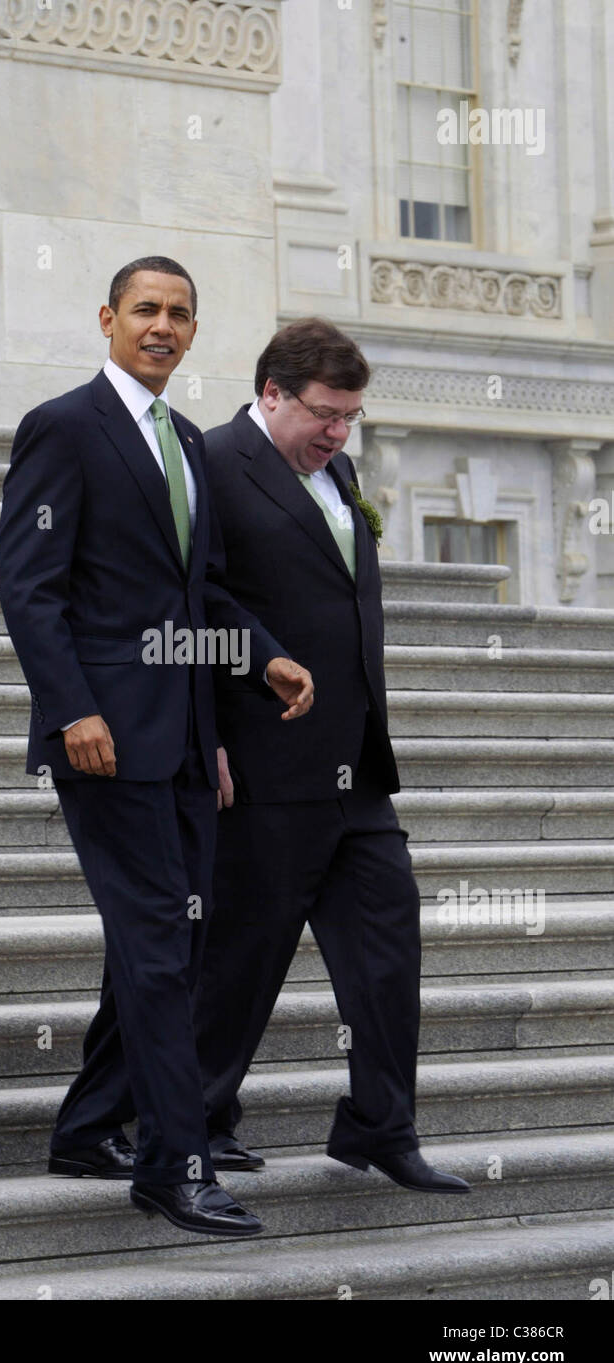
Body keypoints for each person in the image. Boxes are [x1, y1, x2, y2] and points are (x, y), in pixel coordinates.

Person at [0, 257, 314, 1237]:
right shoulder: (65, 427)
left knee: (168, 942)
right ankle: (175, 1165)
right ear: (108, 320)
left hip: (181, 738)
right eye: (146, 310)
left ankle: (90, 1127)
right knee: (160, 949)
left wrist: (260, 662)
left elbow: (199, 596)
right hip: (104, 739)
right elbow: (29, 583)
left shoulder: (182, 440)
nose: (163, 325)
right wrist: (71, 708)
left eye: (180, 312)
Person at [193, 317, 469, 1194]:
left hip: (357, 766)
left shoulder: (337, 472)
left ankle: (379, 1128)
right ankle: (194, 1119)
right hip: (264, 765)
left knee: (388, 951)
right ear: (271, 393)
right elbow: (192, 600)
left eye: (351, 416)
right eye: (325, 414)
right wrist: (212, 738)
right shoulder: (207, 463)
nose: (339, 434)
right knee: (244, 958)